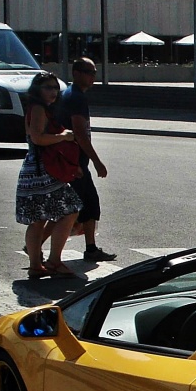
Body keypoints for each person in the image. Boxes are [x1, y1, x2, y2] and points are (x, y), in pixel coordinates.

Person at [15, 71, 82, 279]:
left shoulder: (40, 109)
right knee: (70, 209)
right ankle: (53, 261)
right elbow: (38, 138)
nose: (53, 92)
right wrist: (63, 136)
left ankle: (37, 265)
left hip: (36, 169)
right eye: (48, 87)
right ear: (37, 90)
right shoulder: (38, 109)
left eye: (55, 88)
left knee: (39, 219)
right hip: (43, 171)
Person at [54, 57, 115, 261]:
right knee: (84, 205)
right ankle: (89, 249)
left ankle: (90, 247)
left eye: (94, 72)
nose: (93, 77)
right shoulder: (76, 97)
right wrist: (97, 162)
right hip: (74, 162)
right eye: (89, 72)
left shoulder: (69, 94)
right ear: (76, 73)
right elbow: (80, 134)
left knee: (74, 206)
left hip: (69, 160)